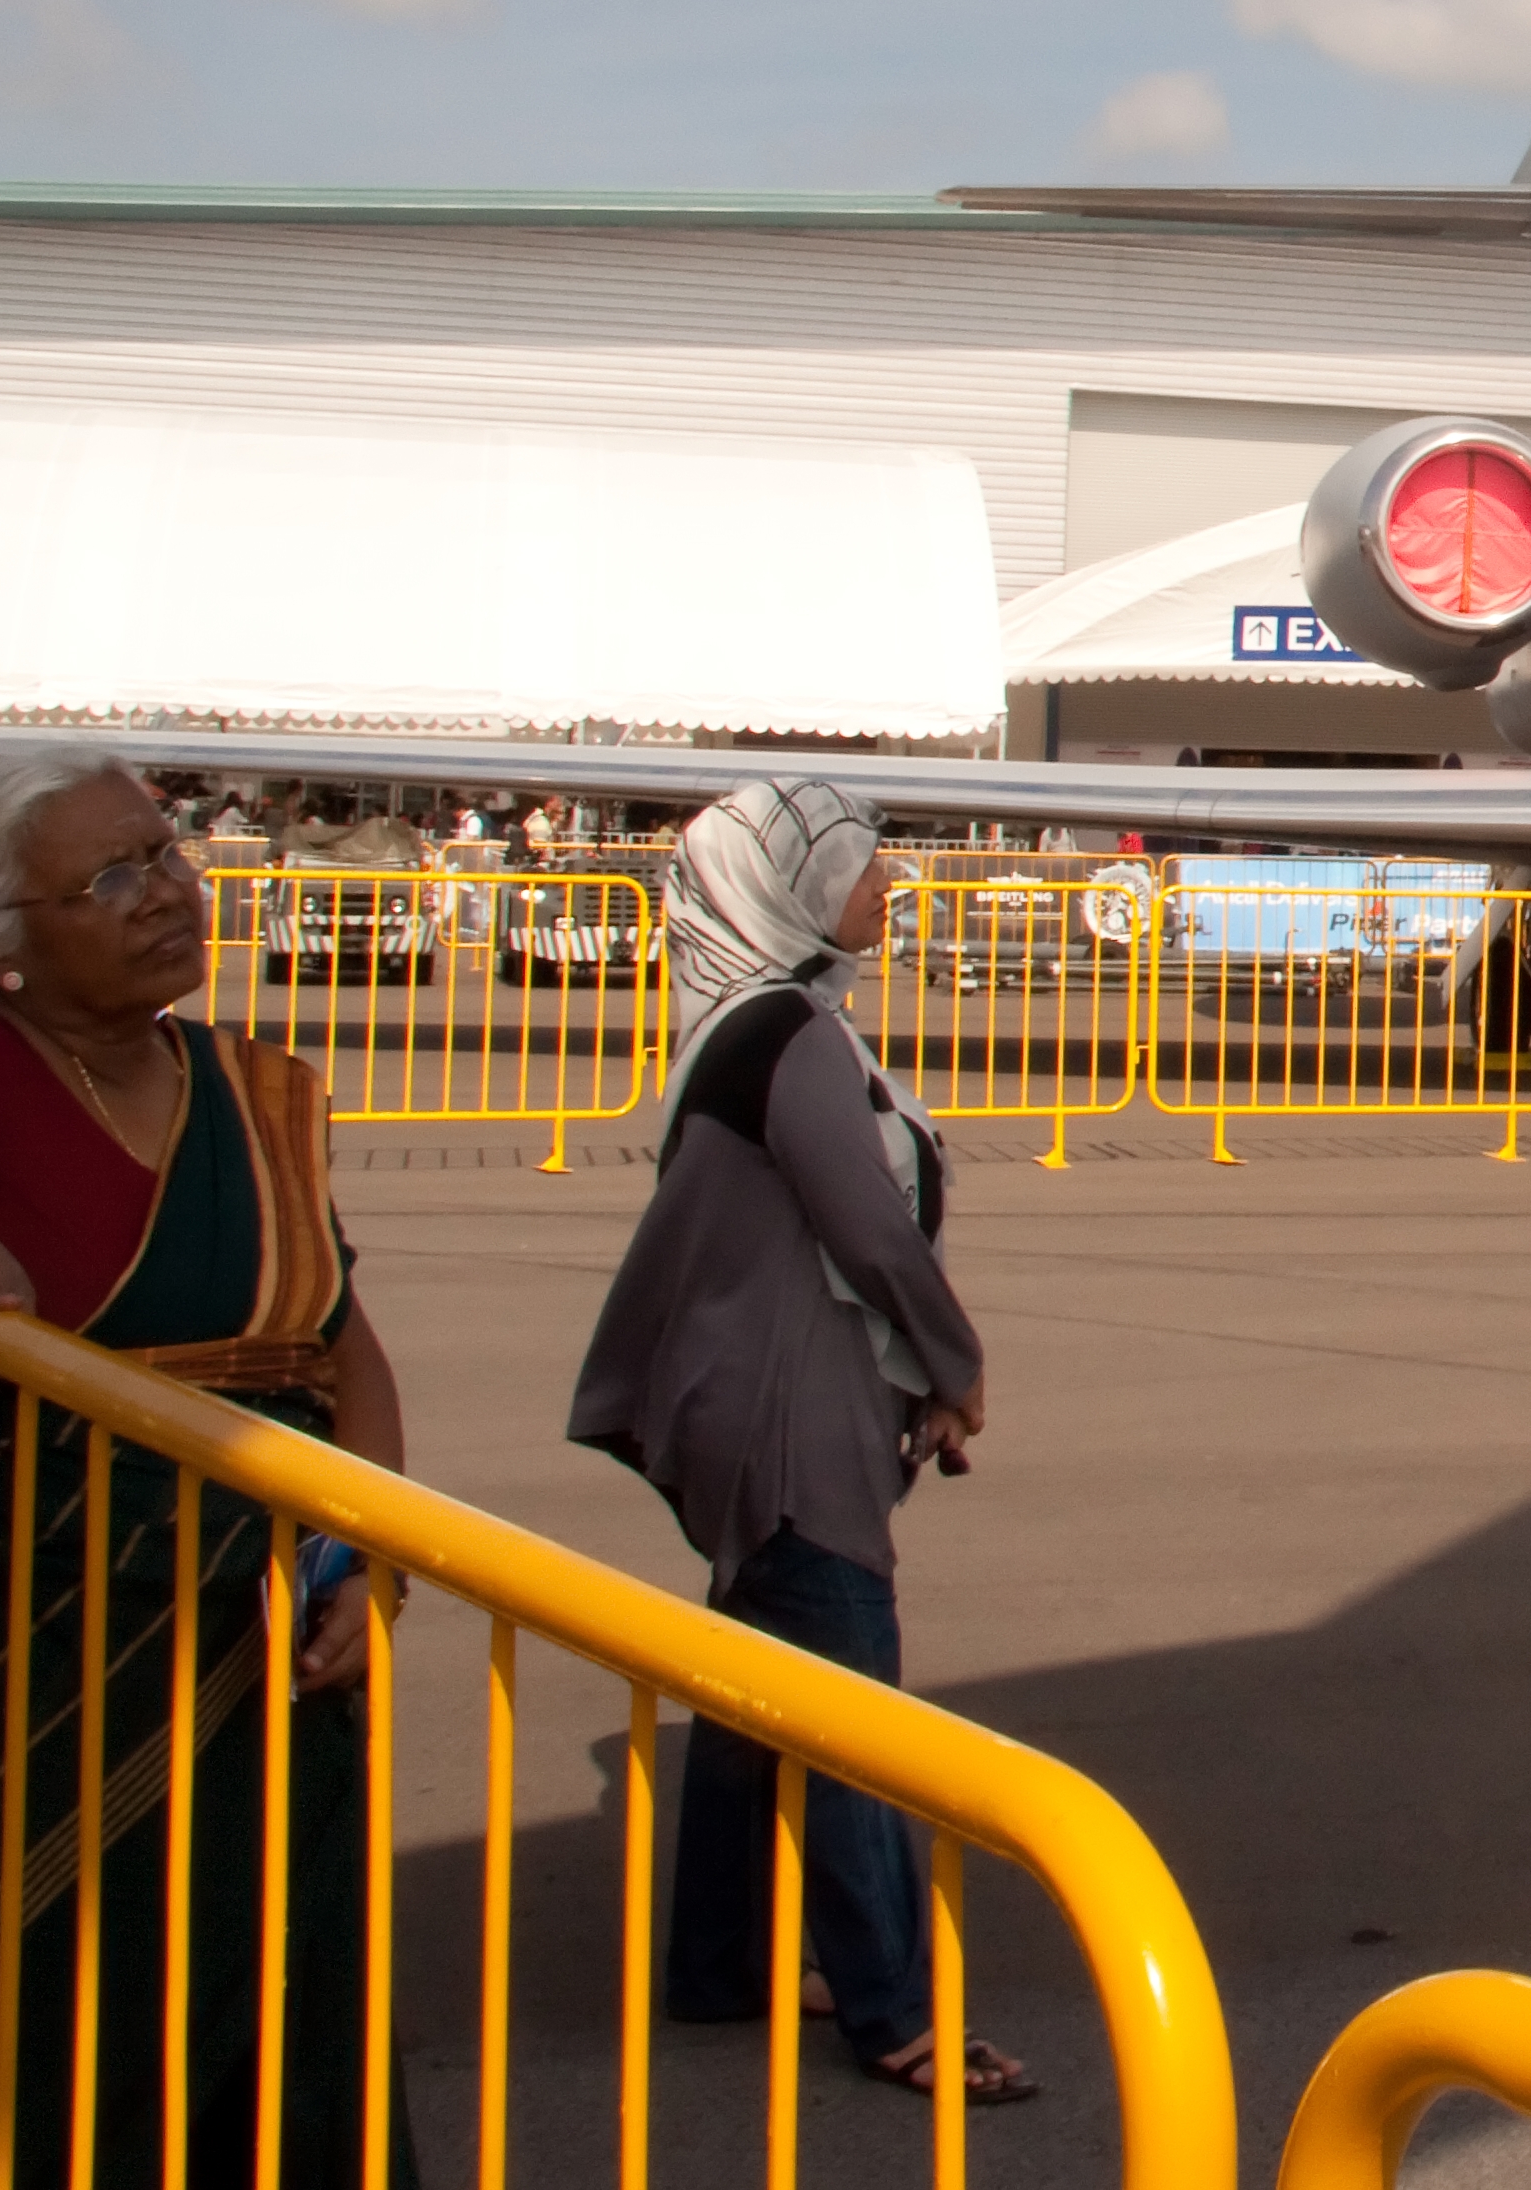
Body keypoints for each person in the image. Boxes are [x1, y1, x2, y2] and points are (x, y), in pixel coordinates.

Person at [0, 747, 410, 2184]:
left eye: (165, 854)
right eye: (111, 877)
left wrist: (378, 1555)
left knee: (278, 2032)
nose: (169, 893)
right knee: (43, 2033)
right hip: (25, 1664)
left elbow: (341, 1347)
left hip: (270, 1653)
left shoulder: (257, 1092)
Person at [568, 780, 1028, 2104]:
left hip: (748, 1403)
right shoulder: (787, 1038)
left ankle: (720, 1963)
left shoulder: (749, 1020)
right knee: (850, 1715)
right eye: (863, 869)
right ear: (789, 889)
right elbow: (869, 1232)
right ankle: (897, 2014)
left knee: (751, 1700)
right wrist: (957, 1364)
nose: (888, 890)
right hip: (786, 1417)